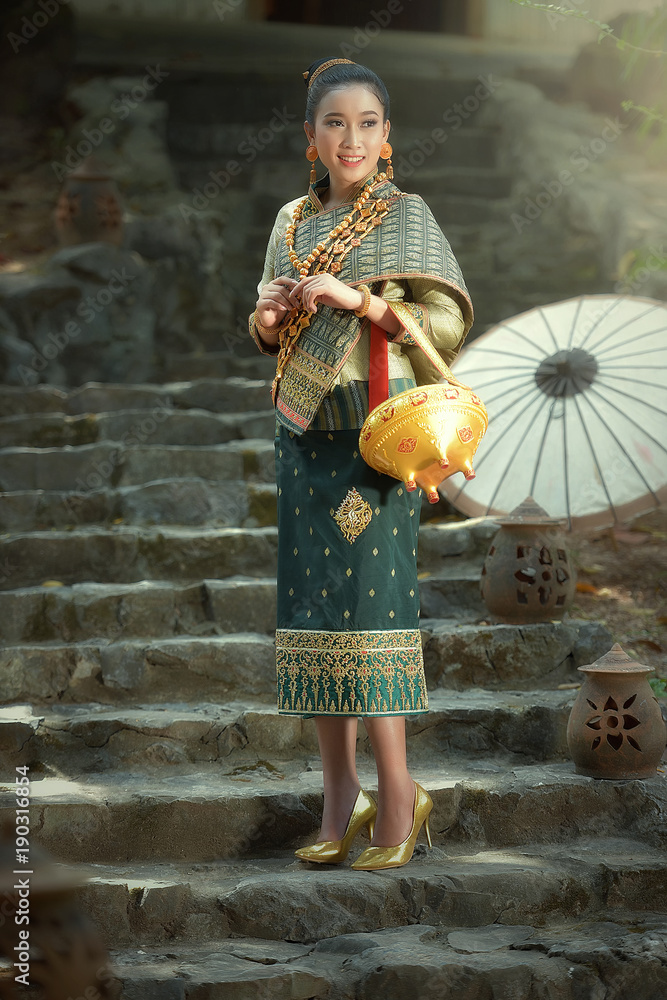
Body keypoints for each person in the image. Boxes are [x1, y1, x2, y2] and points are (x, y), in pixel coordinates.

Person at [249, 57, 473, 870]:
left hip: (379, 443)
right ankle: (339, 794)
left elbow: (443, 326)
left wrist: (362, 300)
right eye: (334, 123)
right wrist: (270, 316)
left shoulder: (404, 218)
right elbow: (270, 332)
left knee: (370, 602)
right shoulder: (291, 222)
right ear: (309, 137)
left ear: (388, 139)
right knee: (312, 609)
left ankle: (399, 794)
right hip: (306, 439)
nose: (351, 138)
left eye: (367, 124)